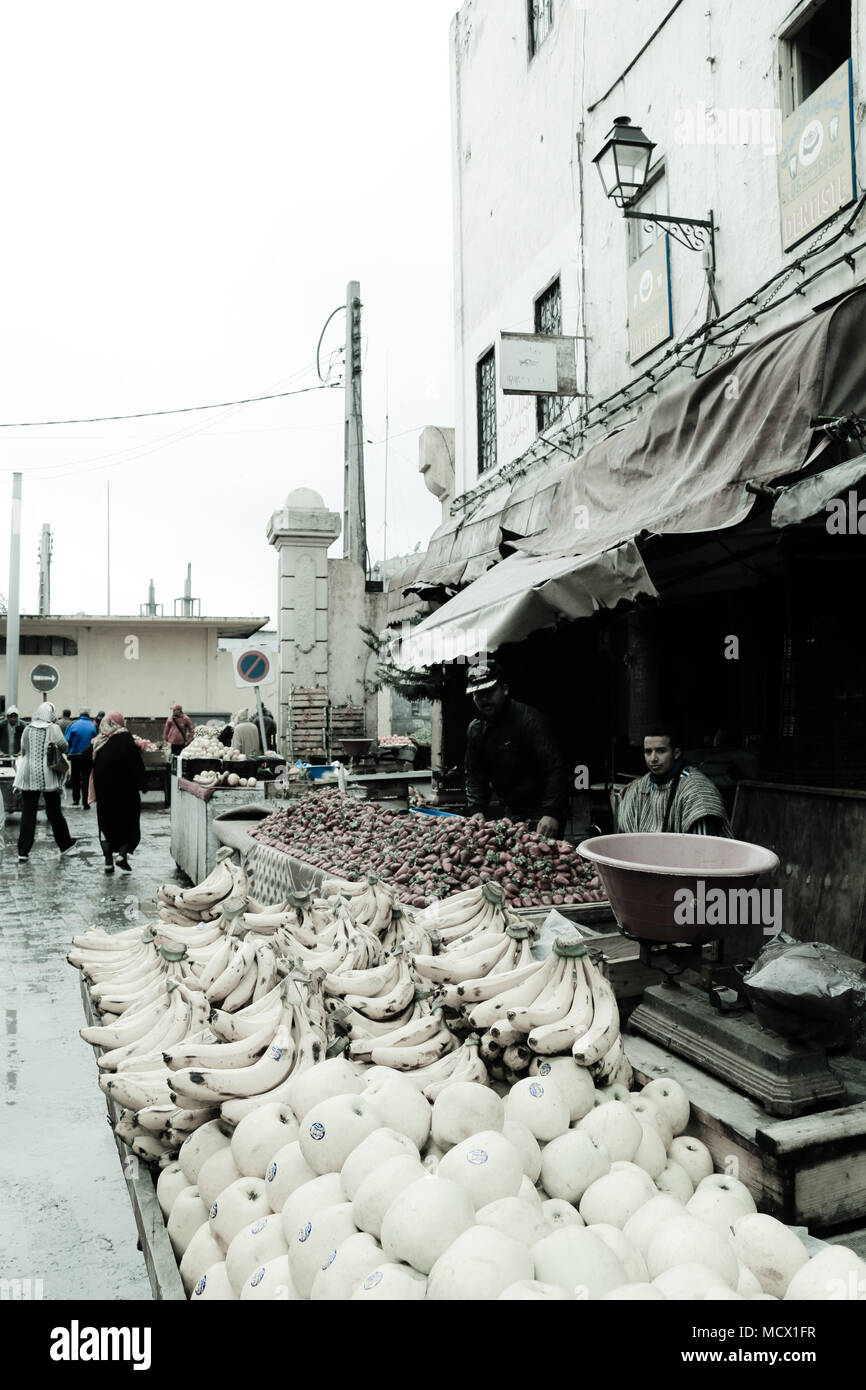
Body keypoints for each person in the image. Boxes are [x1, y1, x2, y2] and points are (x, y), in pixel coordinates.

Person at [464, 661, 569, 837]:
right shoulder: (476, 730)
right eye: (477, 694)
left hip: (542, 809)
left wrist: (551, 812)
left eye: (489, 691)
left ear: (504, 689)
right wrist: (476, 809)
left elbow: (556, 768)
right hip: (511, 810)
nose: (483, 699)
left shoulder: (530, 721)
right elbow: (474, 774)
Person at [616, 723, 733, 836]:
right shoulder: (640, 787)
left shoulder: (697, 791)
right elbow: (626, 840)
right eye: (648, 752)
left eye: (661, 751)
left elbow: (703, 848)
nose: (653, 758)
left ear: (676, 753)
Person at [13, 702, 76, 862]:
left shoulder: (27, 728)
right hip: (48, 774)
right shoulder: (53, 728)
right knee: (54, 812)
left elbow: (23, 750)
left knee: (28, 812)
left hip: (27, 775)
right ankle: (65, 845)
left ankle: (23, 851)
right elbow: (65, 747)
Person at [89, 711, 147, 873]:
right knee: (129, 824)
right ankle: (122, 854)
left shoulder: (99, 742)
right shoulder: (126, 739)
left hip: (104, 793)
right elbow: (136, 764)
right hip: (126, 793)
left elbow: (91, 764)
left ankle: (108, 862)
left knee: (107, 826)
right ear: (120, 723)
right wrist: (143, 784)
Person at [65, 708, 98, 810]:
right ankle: (85, 802)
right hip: (87, 756)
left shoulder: (73, 725)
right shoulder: (92, 726)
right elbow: (96, 740)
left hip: (75, 755)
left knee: (75, 778)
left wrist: (69, 750)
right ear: (88, 715)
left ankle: (76, 800)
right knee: (86, 779)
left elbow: (67, 739)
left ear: (80, 714)